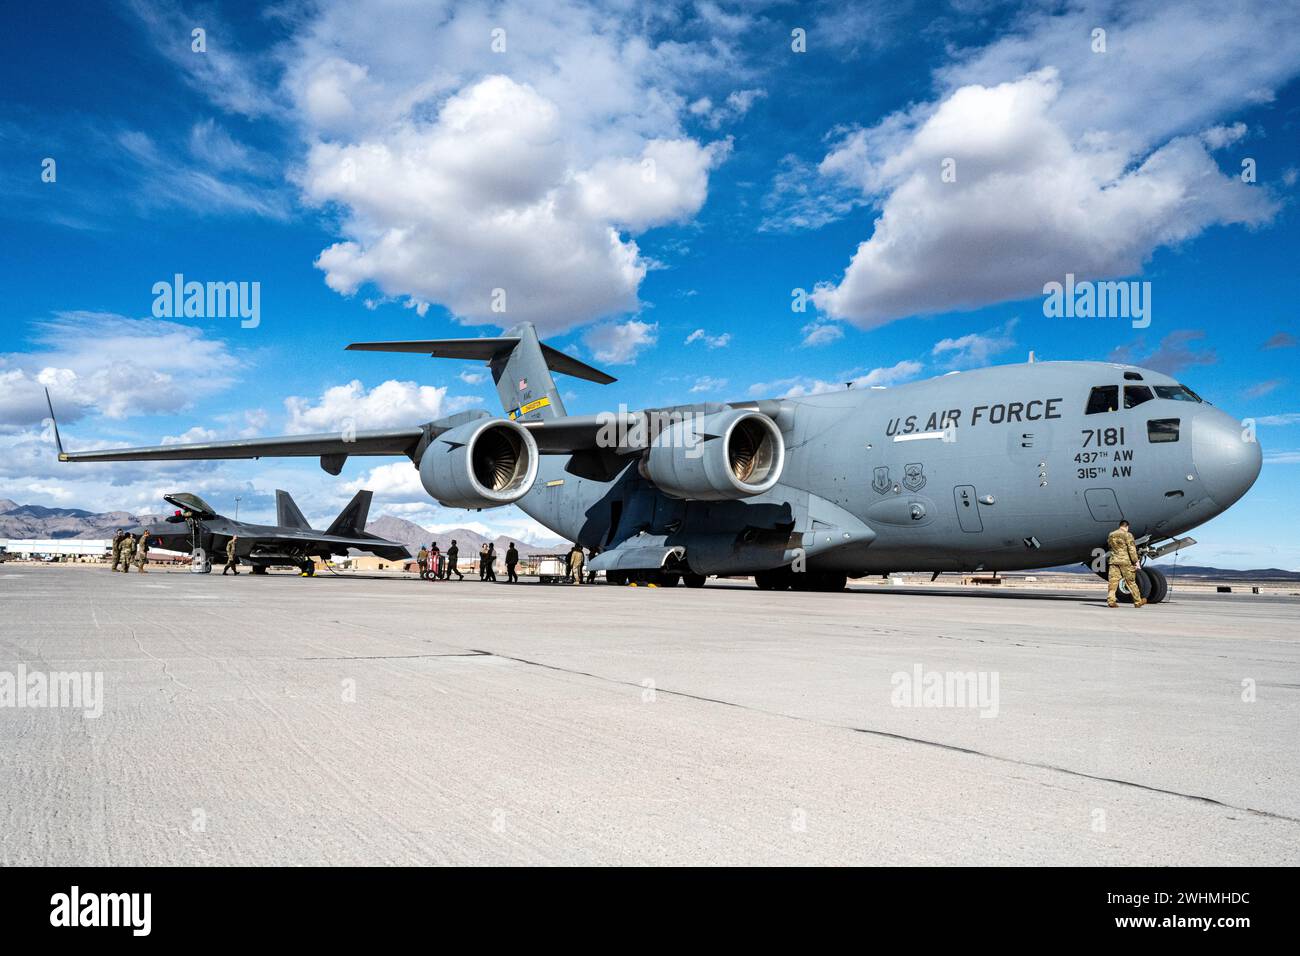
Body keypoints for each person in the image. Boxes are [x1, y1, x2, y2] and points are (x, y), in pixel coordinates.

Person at [1105, 519, 1145, 608]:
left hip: (1113, 561)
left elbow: (1110, 547)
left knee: (1113, 582)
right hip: (1125, 561)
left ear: (1120, 525)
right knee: (1130, 582)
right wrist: (1136, 561)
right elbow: (1132, 549)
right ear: (1127, 526)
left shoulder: (1111, 534)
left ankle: (1111, 601)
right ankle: (1138, 601)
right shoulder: (1128, 535)